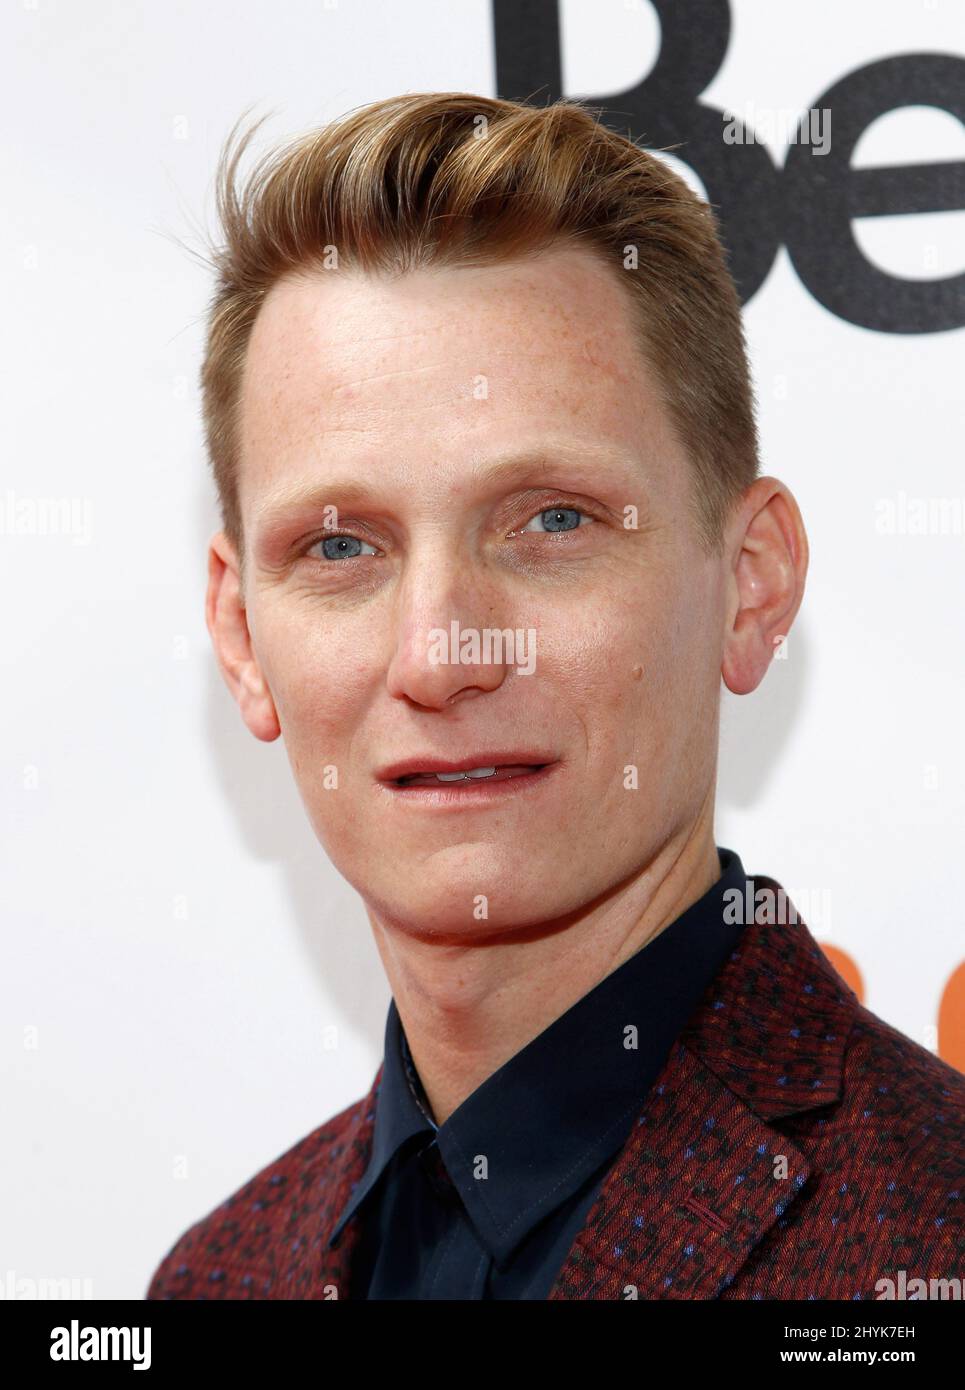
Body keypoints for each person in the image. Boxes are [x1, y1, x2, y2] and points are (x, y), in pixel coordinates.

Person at [146, 92, 963, 1300]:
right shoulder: (216, 1281)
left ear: (748, 585)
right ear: (242, 636)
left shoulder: (932, 1237)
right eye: (339, 547)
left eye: (552, 521)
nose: (438, 655)